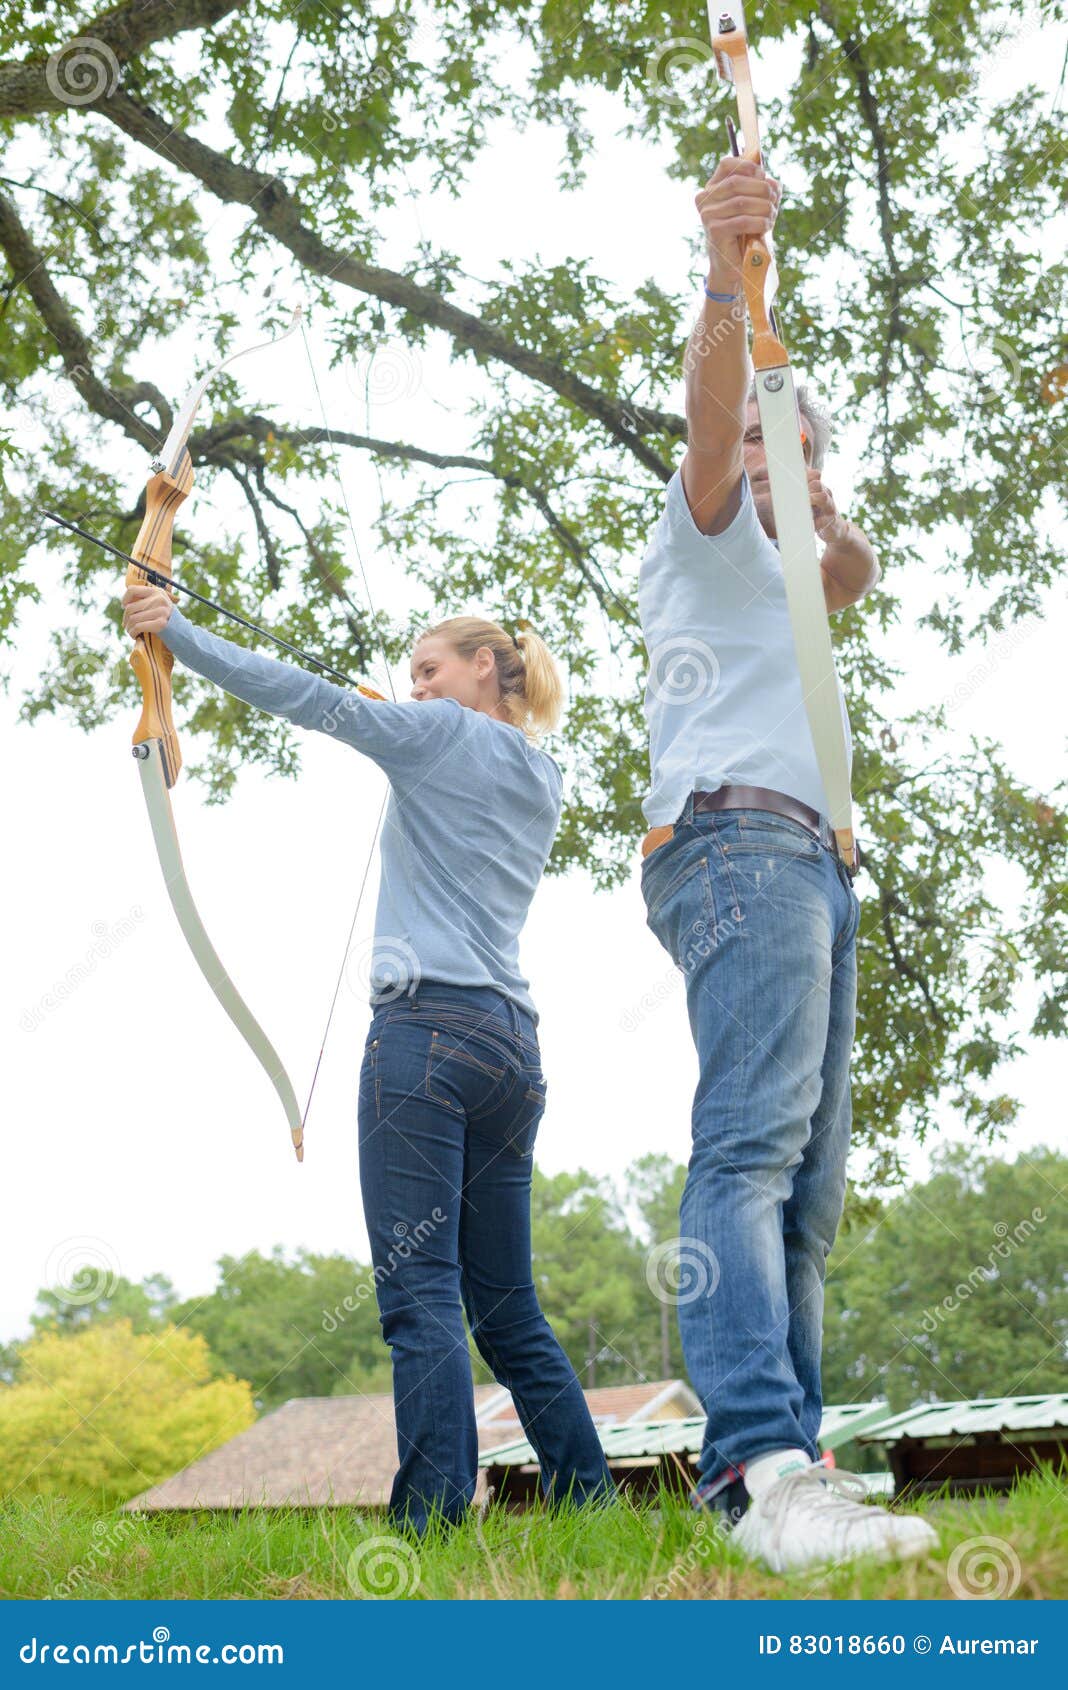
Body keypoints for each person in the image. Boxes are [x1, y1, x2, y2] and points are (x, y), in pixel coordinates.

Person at [122, 586, 614, 1535]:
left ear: (485, 668)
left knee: (420, 1289)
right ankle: (591, 1507)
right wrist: (410, 718)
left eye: (430, 669)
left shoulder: (436, 736)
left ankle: (430, 1527)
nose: (415, 686)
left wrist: (172, 632)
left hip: (424, 1039)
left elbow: (304, 696)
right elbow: (411, 737)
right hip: (512, 1051)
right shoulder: (540, 772)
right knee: (506, 1305)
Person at [637, 154, 937, 1572]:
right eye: (758, 448)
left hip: (820, 860)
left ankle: (784, 1470)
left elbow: (852, 560)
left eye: (795, 446)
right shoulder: (703, 542)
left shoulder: (799, 569)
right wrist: (726, 275)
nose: (769, 465)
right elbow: (710, 426)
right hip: (737, 839)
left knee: (809, 1191)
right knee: (749, 1143)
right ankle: (761, 1452)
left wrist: (810, 476)